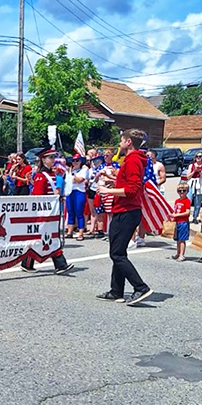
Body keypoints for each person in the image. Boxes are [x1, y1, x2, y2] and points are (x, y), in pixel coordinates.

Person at [96, 129, 153, 305]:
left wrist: (108, 190)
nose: (119, 142)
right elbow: (127, 183)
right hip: (123, 210)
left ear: (129, 142)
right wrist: (113, 179)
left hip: (127, 211)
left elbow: (133, 189)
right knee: (118, 252)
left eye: (122, 139)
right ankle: (116, 291)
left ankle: (141, 287)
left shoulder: (134, 159)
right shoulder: (130, 159)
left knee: (117, 254)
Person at [20, 147, 74, 274]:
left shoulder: (52, 174)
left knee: (49, 238)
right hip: (44, 213)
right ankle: (59, 264)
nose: (53, 160)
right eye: (50, 158)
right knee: (45, 238)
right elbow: (38, 197)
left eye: (53, 157)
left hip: (51, 213)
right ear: (43, 160)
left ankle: (56, 264)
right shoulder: (41, 176)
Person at [65, 154, 89, 240]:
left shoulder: (83, 170)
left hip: (79, 192)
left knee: (79, 213)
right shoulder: (69, 171)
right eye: (74, 161)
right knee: (70, 212)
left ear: (80, 162)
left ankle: (80, 233)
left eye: (77, 160)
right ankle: (69, 231)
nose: (75, 162)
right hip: (70, 192)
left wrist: (73, 175)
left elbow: (79, 180)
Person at [186, 152, 202, 222]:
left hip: (200, 183)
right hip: (192, 184)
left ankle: (195, 217)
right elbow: (188, 176)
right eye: (197, 156)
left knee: (197, 202)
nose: (198, 158)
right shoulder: (191, 165)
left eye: (200, 156)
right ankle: (186, 216)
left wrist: (200, 172)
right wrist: (194, 171)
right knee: (188, 200)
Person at [170, 183, 191, 262]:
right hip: (177, 222)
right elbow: (175, 210)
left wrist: (178, 215)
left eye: (184, 191)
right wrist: (173, 216)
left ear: (187, 191)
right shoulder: (177, 201)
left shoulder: (187, 201)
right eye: (180, 191)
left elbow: (187, 212)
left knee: (182, 239)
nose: (181, 192)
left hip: (183, 222)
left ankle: (182, 254)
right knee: (178, 239)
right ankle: (178, 253)